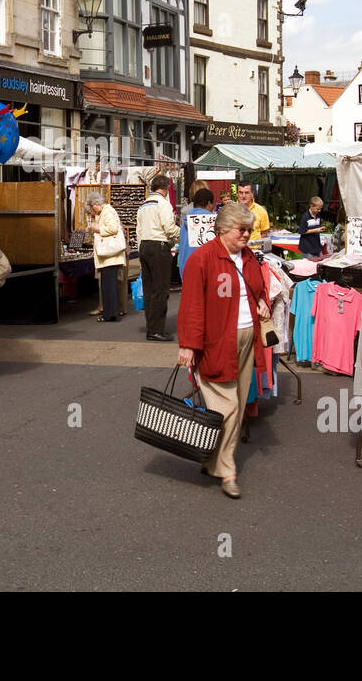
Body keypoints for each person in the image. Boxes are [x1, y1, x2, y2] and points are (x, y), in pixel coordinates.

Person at [177, 202, 271, 499]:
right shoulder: (202, 259)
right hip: (216, 342)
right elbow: (191, 305)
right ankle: (227, 470)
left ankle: (211, 458)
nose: (246, 234)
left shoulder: (248, 257)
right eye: (241, 230)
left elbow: (256, 287)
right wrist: (188, 345)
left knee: (239, 403)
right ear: (222, 230)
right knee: (227, 407)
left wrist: (262, 301)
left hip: (246, 338)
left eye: (248, 229)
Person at [136, 175, 179, 341]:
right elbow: (169, 228)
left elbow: (139, 231)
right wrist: (180, 233)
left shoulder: (143, 205)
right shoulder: (163, 204)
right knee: (160, 289)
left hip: (145, 246)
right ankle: (156, 330)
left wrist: (141, 251)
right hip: (159, 246)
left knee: (149, 289)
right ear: (166, 189)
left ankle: (151, 326)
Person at [87, 192, 127, 323]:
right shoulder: (106, 212)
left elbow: (113, 228)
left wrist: (96, 228)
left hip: (110, 256)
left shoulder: (108, 212)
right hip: (110, 256)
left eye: (93, 208)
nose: (94, 211)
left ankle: (110, 314)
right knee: (109, 285)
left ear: (97, 204)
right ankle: (111, 312)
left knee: (108, 285)